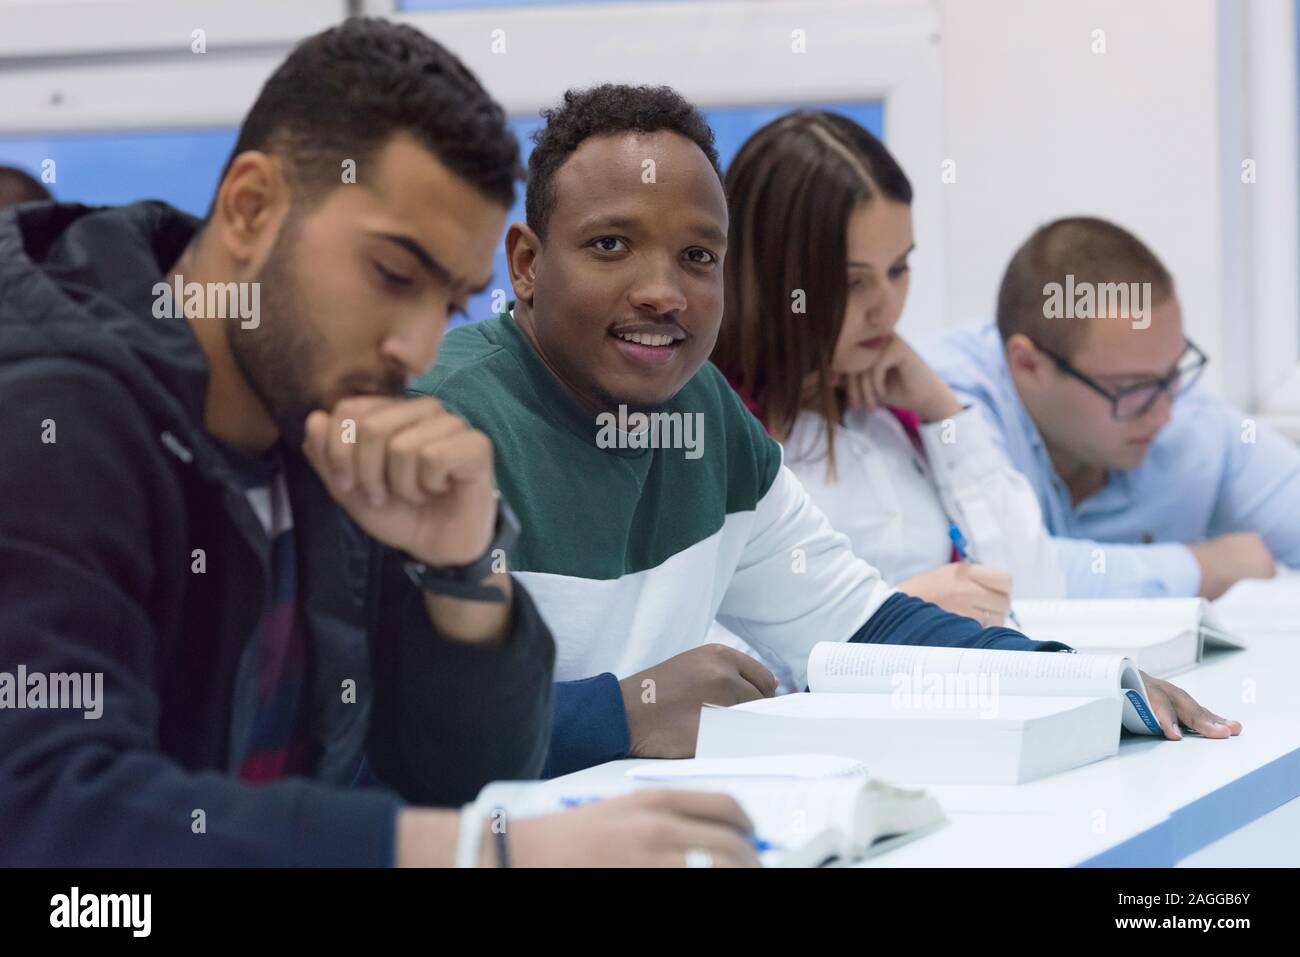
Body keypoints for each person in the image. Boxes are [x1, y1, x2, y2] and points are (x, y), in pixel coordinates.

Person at [0, 19, 760, 869]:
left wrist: (464, 575)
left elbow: (461, 772)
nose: (416, 350)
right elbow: (46, 812)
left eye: (448, 302)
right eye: (393, 276)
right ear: (251, 209)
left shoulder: (323, 409)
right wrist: (482, 851)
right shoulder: (48, 415)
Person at [411, 85, 1239, 778]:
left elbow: (860, 621)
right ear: (525, 262)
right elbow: (386, 731)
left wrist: (1082, 678)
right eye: (611, 244)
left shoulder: (706, 415)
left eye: (698, 257)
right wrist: (624, 712)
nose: (663, 291)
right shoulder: (445, 424)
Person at [919, 217, 1294, 599]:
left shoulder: (1193, 423)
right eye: (1131, 389)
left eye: (1171, 375)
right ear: (1027, 364)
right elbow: (993, 578)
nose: (1164, 414)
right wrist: (1200, 569)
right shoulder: (941, 402)